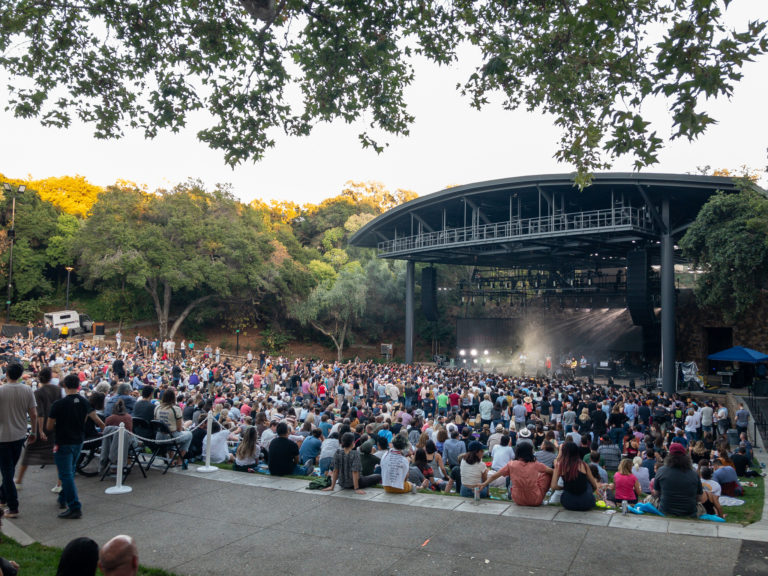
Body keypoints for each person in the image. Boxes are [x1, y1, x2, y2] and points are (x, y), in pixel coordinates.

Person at [48, 374, 105, 519]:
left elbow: (49, 426)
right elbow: (97, 420)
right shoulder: (84, 402)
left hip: (63, 441)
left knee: (66, 474)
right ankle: (62, 498)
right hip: (78, 441)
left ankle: (74, 506)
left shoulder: (58, 404)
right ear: (78, 385)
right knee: (69, 471)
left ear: (65, 386)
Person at [0, 363, 38, 519]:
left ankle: (13, 507)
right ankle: (3, 498)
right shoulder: (27, 390)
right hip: (19, 434)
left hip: (3, 436)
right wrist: (34, 431)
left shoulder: (1, 391)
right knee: (9, 470)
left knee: (7, 473)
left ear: (7, 374)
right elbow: (34, 414)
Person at [15, 367, 59, 492]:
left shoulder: (38, 392)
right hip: (55, 425)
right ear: (50, 377)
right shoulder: (57, 390)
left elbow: (39, 413)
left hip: (43, 426)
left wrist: (39, 431)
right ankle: (59, 484)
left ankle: (19, 480)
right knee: (57, 455)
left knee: (29, 452)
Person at [483, 442, 553, 506]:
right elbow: (552, 471)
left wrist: (484, 484)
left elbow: (495, 476)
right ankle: (554, 496)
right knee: (547, 474)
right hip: (534, 499)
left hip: (518, 499)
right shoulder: (536, 465)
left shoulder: (511, 464)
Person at [653, 443, 705, 517]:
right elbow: (700, 498)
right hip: (689, 512)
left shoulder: (661, 471)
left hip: (665, 510)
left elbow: (656, 493)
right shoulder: (694, 474)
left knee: (649, 499)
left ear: (669, 456)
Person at [551, 441, 598, 511]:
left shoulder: (560, 466)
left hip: (568, 503)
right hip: (586, 503)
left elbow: (553, 486)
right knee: (588, 483)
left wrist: (565, 487)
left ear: (564, 453)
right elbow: (594, 485)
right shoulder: (584, 465)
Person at [153, 389, 192, 468]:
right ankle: (179, 460)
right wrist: (184, 428)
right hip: (171, 436)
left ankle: (171, 460)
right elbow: (179, 429)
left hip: (159, 436)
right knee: (189, 434)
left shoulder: (157, 408)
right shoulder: (176, 409)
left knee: (176, 436)